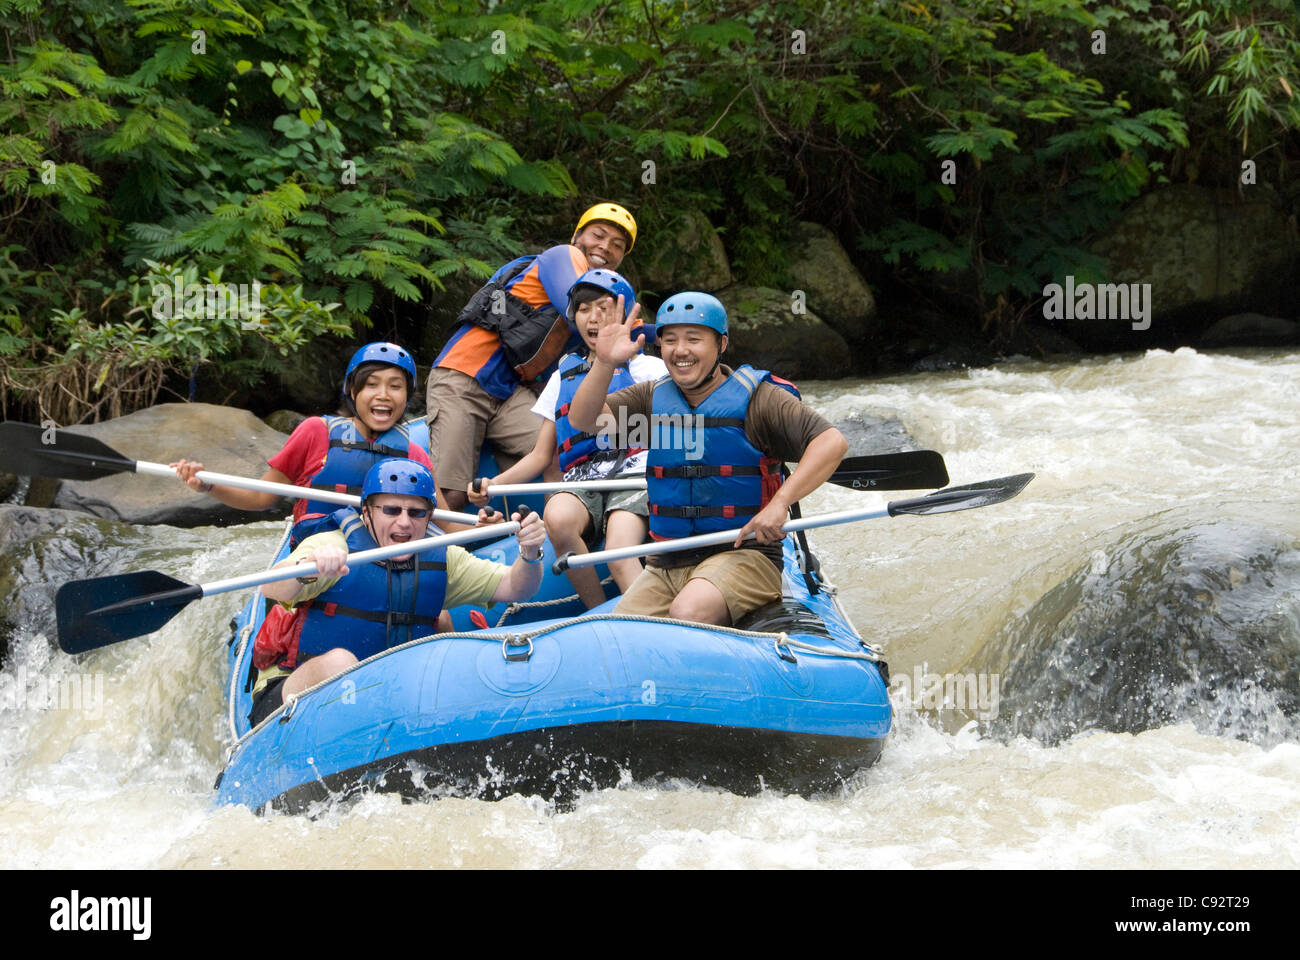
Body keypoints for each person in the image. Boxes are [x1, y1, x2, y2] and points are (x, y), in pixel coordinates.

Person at [566, 292, 849, 627]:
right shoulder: (652, 398)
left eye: (694, 339)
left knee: (689, 611)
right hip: (667, 562)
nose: (680, 350)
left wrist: (780, 502)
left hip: (745, 555)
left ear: (721, 344)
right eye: (669, 340)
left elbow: (831, 442)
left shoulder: (760, 399)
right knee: (622, 637)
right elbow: (584, 420)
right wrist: (604, 361)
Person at [246, 458, 547, 727]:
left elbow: (516, 586)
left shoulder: (442, 558)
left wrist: (531, 552)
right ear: (367, 513)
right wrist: (309, 567)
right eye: (391, 510)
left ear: (430, 518)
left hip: (387, 702)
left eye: (416, 513)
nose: (404, 523)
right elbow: (272, 587)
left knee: (442, 625)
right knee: (340, 662)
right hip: (292, 698)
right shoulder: (335, 547)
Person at [467, 268, 666, 608]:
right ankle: (595, 612)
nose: (594, 317)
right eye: (584, 308)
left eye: (604, 307)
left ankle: (646, 623)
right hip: (583, 480)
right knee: (557, 517)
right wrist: (492, 484)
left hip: (633, 476)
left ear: (627, 315)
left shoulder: (650, 369)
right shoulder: (565, 373)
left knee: (620, 550)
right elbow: (541, 455)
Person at [427, 203, 638, 512]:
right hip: (464, 376)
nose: (605, 247)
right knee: (454, 496)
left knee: (560, 449)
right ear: (577, 236)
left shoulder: (601, 302)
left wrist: (672, 335)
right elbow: (576, 301)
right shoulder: (562, 257)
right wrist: (655, 333)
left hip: (510, 394)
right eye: (598, 235)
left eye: (617, 246)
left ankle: (561, 525)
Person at [171, 342, 465, 544]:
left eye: (395, 386)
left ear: (407, 395)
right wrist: (208, 485)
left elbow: (445, 522)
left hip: (386, 559)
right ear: (352, 390)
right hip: (319, 554)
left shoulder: (413, 453)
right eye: (372, 384)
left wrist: (486, 524)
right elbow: (260, 499)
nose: (383, 394)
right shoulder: (316, 432)